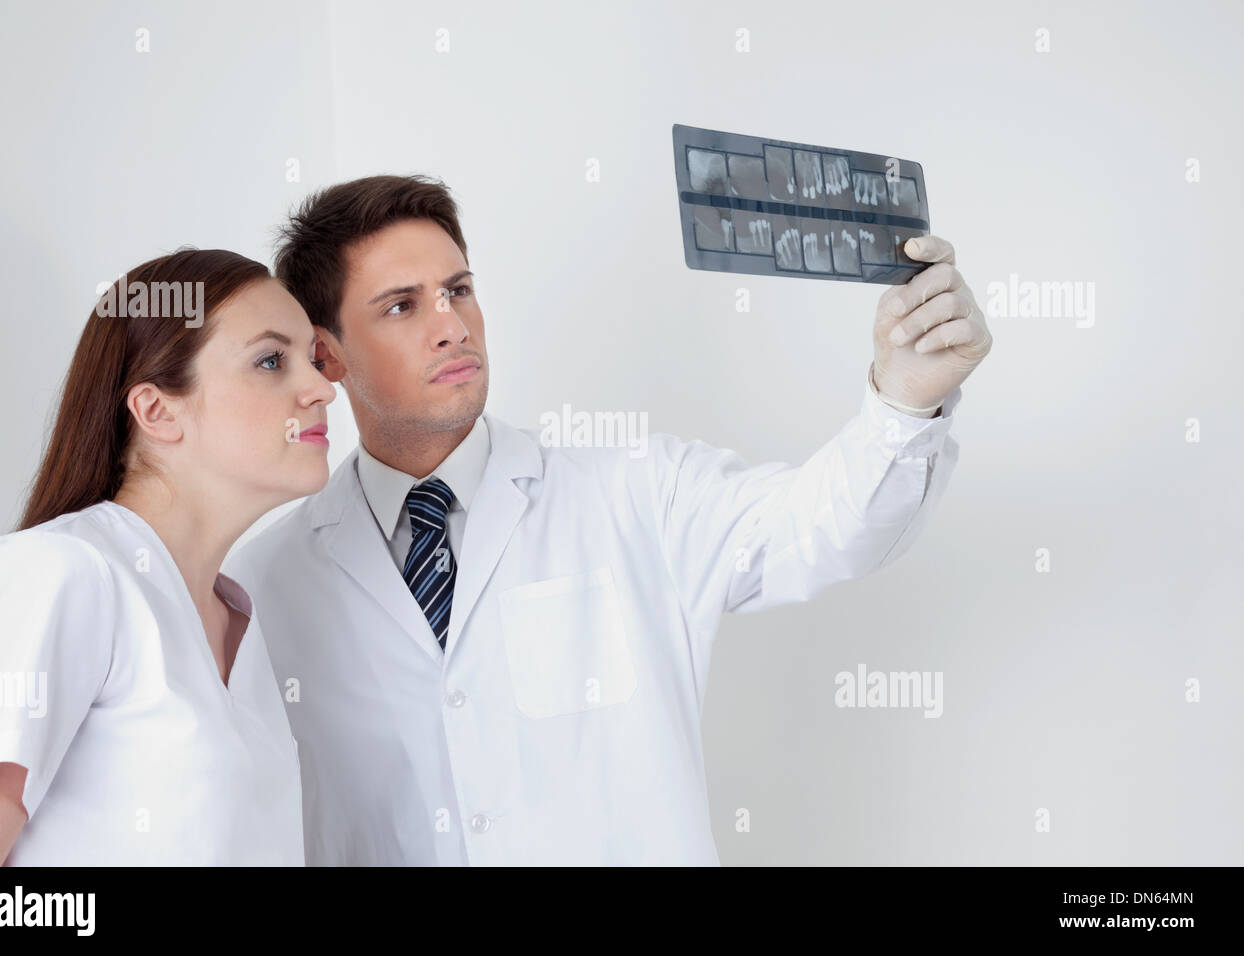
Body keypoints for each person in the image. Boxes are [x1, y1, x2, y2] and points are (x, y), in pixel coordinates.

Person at [226, 174, 993, 865]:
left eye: (458, 290)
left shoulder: (634, 490)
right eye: (402, 306)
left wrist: (904, 401)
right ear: (326, 357)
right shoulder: (262, 588)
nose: (452, 325)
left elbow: (820, 531)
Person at [0, 248, 335, 865]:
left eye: (313, 360)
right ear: (156, 410)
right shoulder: (61, 575)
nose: (320, 388)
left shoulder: (244, 630)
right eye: (270, 361)